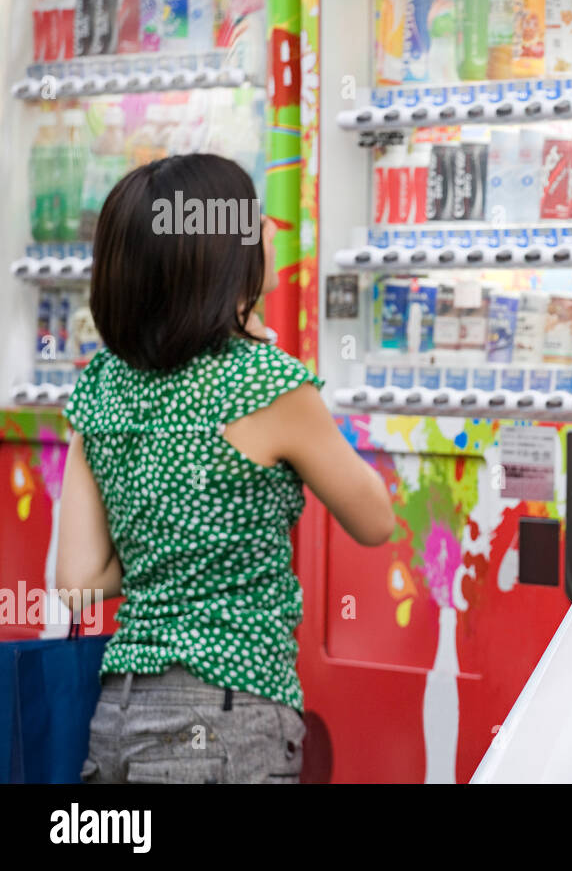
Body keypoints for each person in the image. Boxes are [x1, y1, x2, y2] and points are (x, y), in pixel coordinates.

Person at [56, 153, 396, 783]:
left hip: (117, 718)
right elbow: (376, 519)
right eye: (256, 219)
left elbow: (79, 581)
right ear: (219, 254)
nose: (271, 231)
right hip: (226, 720)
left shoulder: (100, 385)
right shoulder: (266, 384)